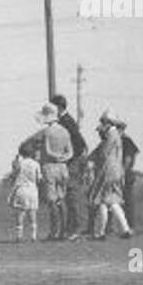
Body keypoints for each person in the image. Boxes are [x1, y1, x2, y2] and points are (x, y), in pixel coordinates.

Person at [50, 95, 89, 240]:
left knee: (72, 196)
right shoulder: (64, 120)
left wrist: (69, 159)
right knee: (68, 196)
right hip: (70, 161)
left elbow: (79, 144)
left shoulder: (67, 121)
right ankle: (70, 228)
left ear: (59, 107)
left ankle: (76, 229)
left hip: (73, 162)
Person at [89, 110, 133, 239]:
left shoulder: (110, 135)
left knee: (102, 200)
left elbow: (103, 153)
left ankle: (100, 232)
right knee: (113, 201)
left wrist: (92, 162)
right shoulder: (116, 135)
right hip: (117, 170)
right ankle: (125, 229)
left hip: (107, 170)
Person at [31, 102, 72, 240]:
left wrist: (55, 157)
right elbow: (70, 152)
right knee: (62, 199)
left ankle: (54, 231)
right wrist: (63, 158)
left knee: (52, 201)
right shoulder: (65, 131)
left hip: (49, 167)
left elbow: (48, 150)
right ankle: (64, 231)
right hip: (63, 168)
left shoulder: (47, 132)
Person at [8, 141, 42, 242]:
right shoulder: (36, 164)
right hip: (32, 190)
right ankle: (33, 236)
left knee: (20, 214)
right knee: (32, 213)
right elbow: (39, 178)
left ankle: (19, 235)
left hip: (21, 189)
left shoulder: (19, 163)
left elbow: (13, 176)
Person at [121, 132, 139, 228]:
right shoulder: (125, 141)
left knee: (127, 201)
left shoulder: (126, 141)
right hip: (125, 173)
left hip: (125, 174)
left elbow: (128, 159)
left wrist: (122, 172)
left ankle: (130, 225)